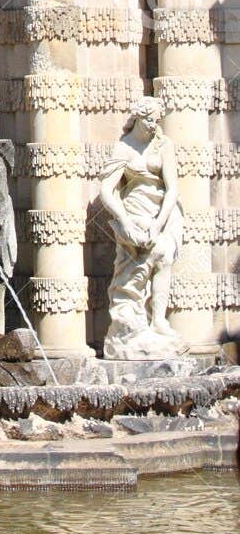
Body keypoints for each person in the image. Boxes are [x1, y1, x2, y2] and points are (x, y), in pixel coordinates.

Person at [100, 97, 186, 358]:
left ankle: (158, 319)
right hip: (134, 214)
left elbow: (172, 188)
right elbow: (106, 190)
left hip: (163, 213)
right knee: (137, 268)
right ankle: (129, 327)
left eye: (157, 120)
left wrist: (160, 222)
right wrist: (123, 220)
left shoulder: (164, 145)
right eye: (149, 120)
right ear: (137, 117)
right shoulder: (124, 148)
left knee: (164, 260)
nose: (154, 125)